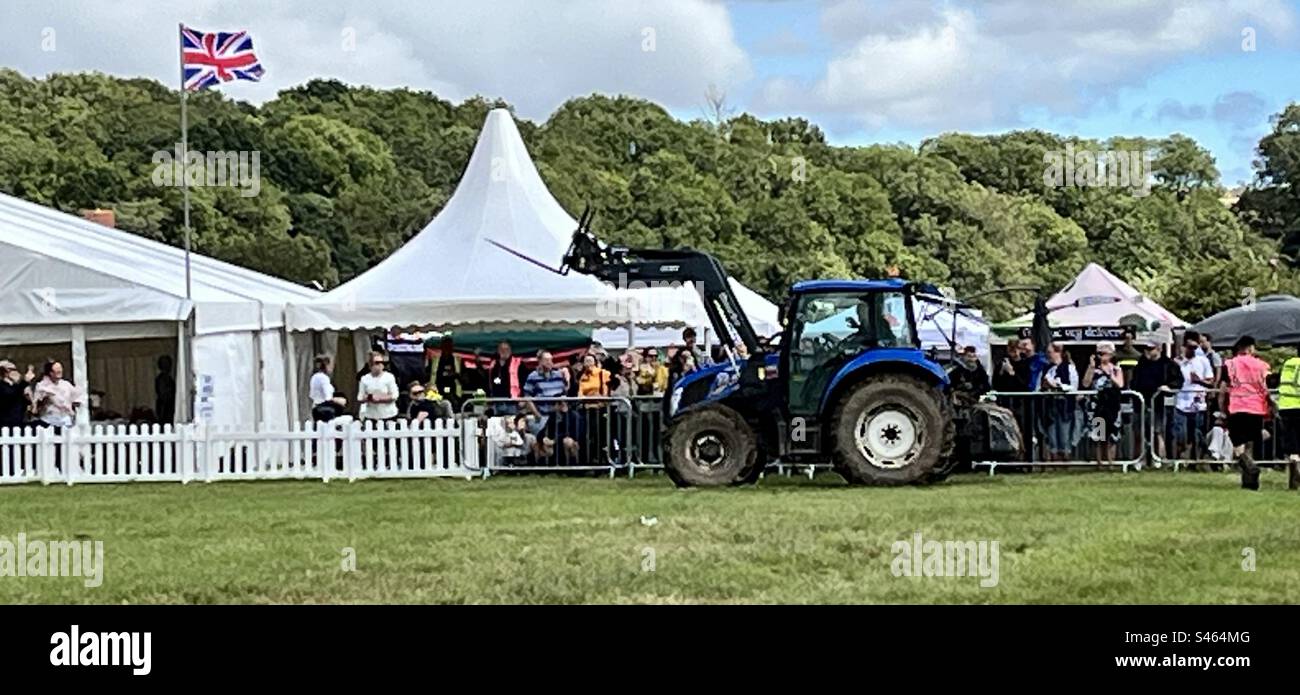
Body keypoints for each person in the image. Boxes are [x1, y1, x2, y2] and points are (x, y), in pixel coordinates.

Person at [1220, 335, 1271, 490]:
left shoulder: (1230, 364)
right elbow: (1266, 387)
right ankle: (1249, 482)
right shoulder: (1262, 365)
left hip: (1237, 406)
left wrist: (1222, 408)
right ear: (1250, 348)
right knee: (1249, 442)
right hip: (1256, 407)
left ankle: (1249, 467)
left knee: (1237, 444)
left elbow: (1223, 388)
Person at [1129, 341, 1183, 461]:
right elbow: (1134, 382)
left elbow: (1178, 381)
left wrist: (1168, 387)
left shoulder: (1168, 364)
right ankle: (1139, 460)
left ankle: (1159, 459)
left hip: (1159, 403)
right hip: (1140, 403)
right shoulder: (1140, 363)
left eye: (1151, 349)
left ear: (1159, 349)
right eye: (1146, 349)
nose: (1147, 352)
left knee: (1158, 432)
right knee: (1139, 433)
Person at [1082, 341, 1125, 465]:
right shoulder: (1094, 369)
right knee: (1099, 434)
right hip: (1097, 405)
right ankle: (1099, 462)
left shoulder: (1116, 368)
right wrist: (1091, 367)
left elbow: (1120, 384)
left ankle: (1111, 462)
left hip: (1112, 405)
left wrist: (1110, 374)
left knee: (1112, 435)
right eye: (1100, 353)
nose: (1103, 356)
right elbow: (1086, 383)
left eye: (1106, 353)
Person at [1172, 337, 1214, 462]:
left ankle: (1197, 460)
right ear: (1184, 347)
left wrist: (1199, 381)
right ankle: (1182, 456)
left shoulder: (1203, 361)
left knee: (1196, 433)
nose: (1193, 350)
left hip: (1197, 404)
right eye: (1190, 347)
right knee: (1181, 434)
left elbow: (1211, 381)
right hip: (1180, 403)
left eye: (1196, 347)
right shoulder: (1177, 363)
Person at [1038, 342, 1080, 461]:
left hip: (1065, 407)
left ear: (1058, 353)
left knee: (1064, 437)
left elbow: (1073, 387)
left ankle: (1065, 462)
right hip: (1050, 406)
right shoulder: (1046, 369)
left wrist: (1058, 386)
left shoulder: (1070, 368)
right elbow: (1038, 387)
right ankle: (1054, 462)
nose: (1048, 355)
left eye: (1050, 352)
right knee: (1051, 437)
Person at [32, 361, 84, 429]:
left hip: (65, 420)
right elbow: (37, 403)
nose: (60, 371)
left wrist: (75, 404)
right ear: (50, 373)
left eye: (60, 368)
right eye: (57, 369)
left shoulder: (66, 384)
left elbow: (77, 398)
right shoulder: (42, 386)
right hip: (49, 421)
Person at [523, 351, 567, 426]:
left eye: (551, 360)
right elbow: (527, 397)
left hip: (559, 415)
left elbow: (563, 393)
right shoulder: (533, 376)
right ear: (540, 361)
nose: (549, 362)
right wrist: (537, 414)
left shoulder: (558, 375)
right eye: (546, 360)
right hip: (543, 416)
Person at [1278, 344, 1300, 490]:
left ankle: (1293, 482)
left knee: (1293, 446)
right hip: (1299, 405)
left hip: (1285, 406)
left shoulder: (1288, 363)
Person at [357, 351, 399, 422]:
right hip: (371, 415)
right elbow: (360, 397)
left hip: (388, 415)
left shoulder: (389, 377)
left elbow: (395, 395)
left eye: (382, 362)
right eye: (377, 363)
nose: (380, 365)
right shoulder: (364, 379)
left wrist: (380, 398)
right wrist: (370, 397)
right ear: (370, 365)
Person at [430, 336, 464, 410]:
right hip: (437, 392)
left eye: (449, 346)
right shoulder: (435, 360)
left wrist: (455, 374)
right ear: (441, 347)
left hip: (454, 393)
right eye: (445, 346)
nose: (447, 348)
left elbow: (464, 378)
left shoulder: (458, 360)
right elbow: (430, 375)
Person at [0, 361, 35, 428]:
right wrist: (25, 382)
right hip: (4, 425)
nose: (18, 373)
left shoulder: (16, 387)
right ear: (6, 371)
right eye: (14, 370)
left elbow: (23, 403)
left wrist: (28, 398)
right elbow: (9, 397)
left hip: (18, 423)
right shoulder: (2, 386)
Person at [154, 355, 176, 424]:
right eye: (165, 364)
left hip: (168, 406)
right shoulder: (162, 379)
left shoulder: (168, 378)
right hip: (165, 407)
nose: (168, 366)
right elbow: (163, 394)